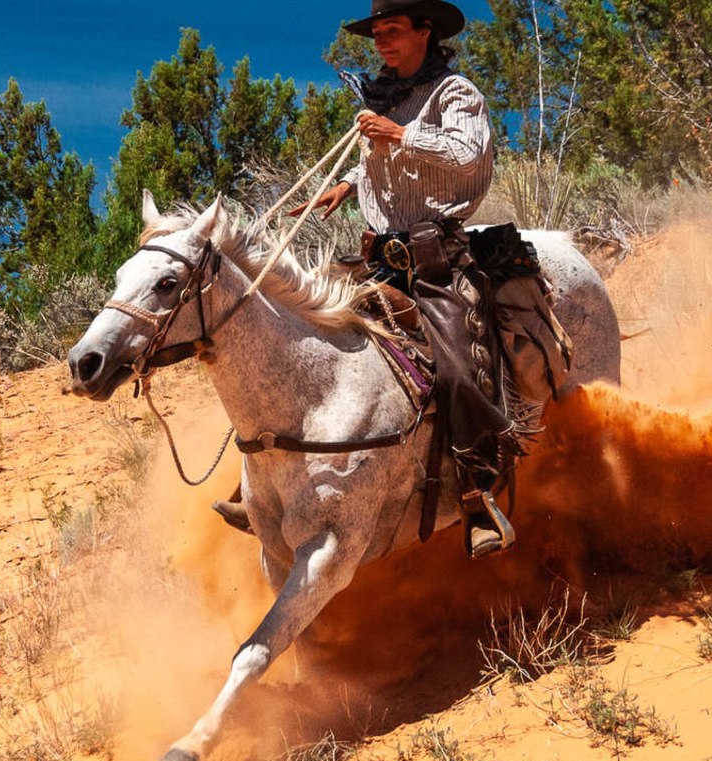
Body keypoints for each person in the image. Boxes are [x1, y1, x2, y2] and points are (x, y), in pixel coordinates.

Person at [214, 0, 519, 559]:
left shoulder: (456, 93)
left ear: (425, 31)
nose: (381, 41)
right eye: (376, 33)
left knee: (454, 361)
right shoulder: (385, 95)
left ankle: (479, 494)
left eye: (393, 31)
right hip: (378, 256)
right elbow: (378, 159)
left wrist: (399, 134)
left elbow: (466, 152)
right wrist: (349, 184)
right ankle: (259, 488)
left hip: (436, 258)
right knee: (287, 336)